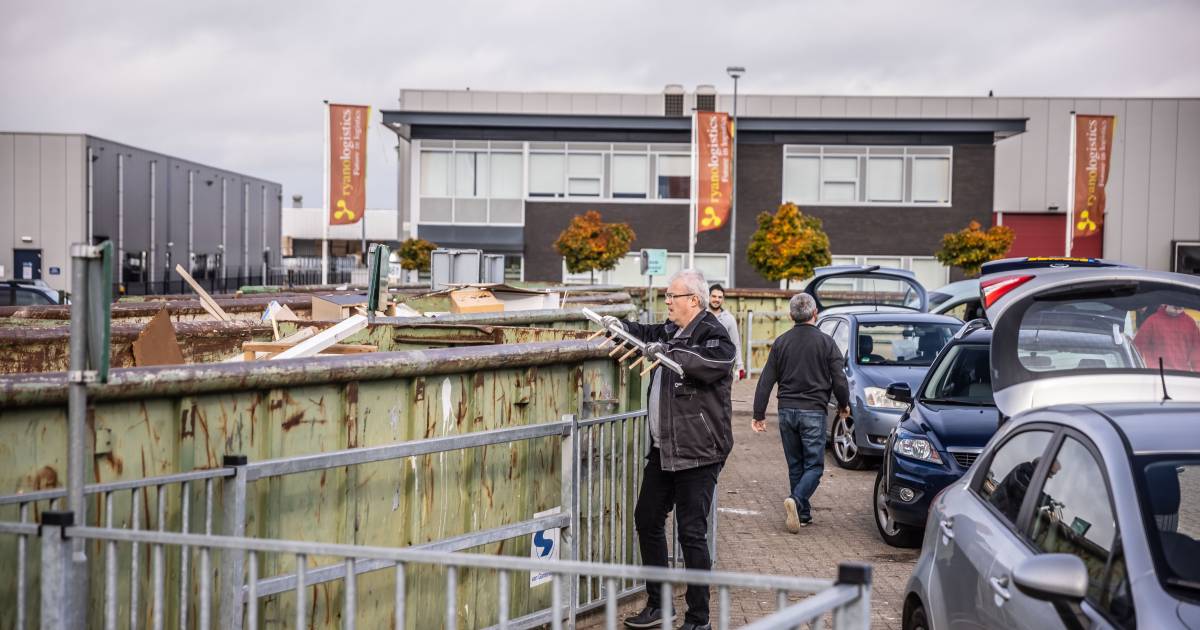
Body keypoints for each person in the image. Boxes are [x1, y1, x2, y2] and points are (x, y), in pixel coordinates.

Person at [601, 268, 736, 630]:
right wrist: (619, 325)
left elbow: (712, 363)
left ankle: (698, 618)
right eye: (666, 296)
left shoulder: (713, 333)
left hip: (699, 452)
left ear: (694, 299)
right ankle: (660, 604)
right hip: (664, 451)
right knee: (647, 518)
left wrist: (670, 349)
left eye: (672, 296)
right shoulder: (670, 329)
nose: (668, 302)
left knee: (692, 533)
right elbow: (646, 334)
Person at [751, 293, 849, 533]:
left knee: (795, 465)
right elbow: (839, 379)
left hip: (786, 411)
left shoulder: (781, 342)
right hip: (813, 412)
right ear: (815, 314)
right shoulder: (827, 343)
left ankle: (802, 514)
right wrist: (844, 405)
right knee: (814, 466)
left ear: (790, 315)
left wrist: (759, 413)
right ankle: (796, 500)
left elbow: (766, 380)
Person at [1133, 304, 1200, 371]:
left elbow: (1197, 356)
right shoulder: (1152, 321)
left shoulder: (1190, 323)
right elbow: (1136, 349)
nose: (1176, 308)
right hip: (1157, 374)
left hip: (1182, 375)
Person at [708, 284, 746, 381]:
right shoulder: (701, 316)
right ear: (708, 297)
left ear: (723, 299)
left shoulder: (729, 319)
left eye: (720, 297)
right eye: (714, 296)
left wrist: (739, 366)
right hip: (704, 364)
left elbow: (735, 343)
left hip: (723, 367)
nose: (717, 299)